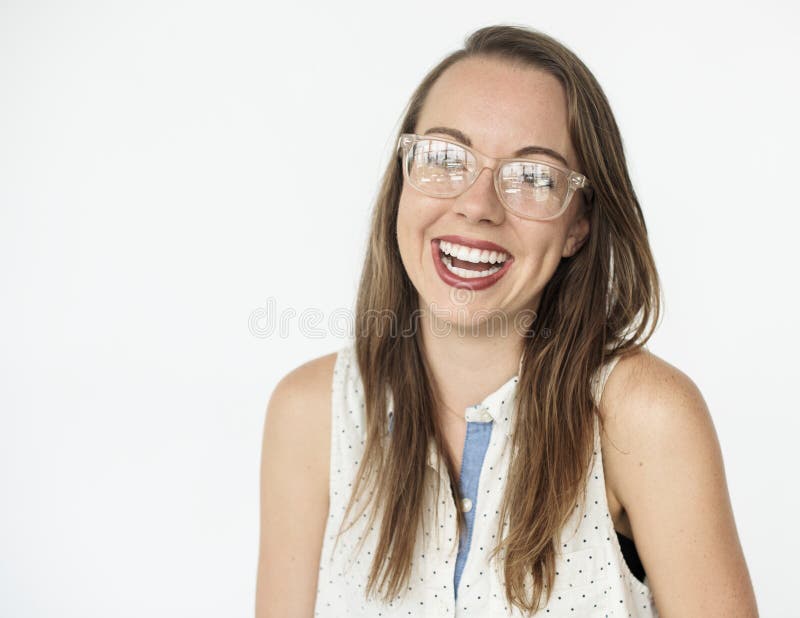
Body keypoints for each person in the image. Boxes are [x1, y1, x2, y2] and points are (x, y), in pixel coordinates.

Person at [255, 25, 759, 617]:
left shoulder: (646, 417)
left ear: (579, 224)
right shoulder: (311, 412)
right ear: (400, 183)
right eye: (445, 158)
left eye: (534, 177)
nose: (477, 205)